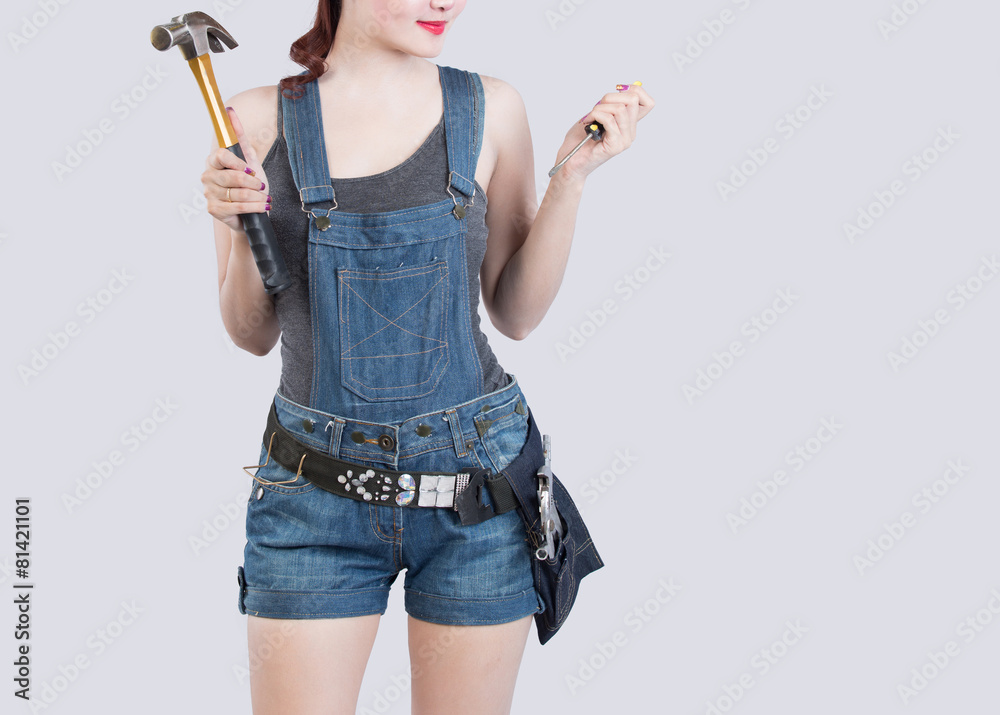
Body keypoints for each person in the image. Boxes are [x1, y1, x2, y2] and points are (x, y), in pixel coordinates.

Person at [201, 1, 653, 712]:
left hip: (478, 489)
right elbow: (249, 333)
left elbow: (516, 312)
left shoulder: (492, 110)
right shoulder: (253, 119)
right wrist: (236, 226)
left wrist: (571, 178)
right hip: (313, 495)